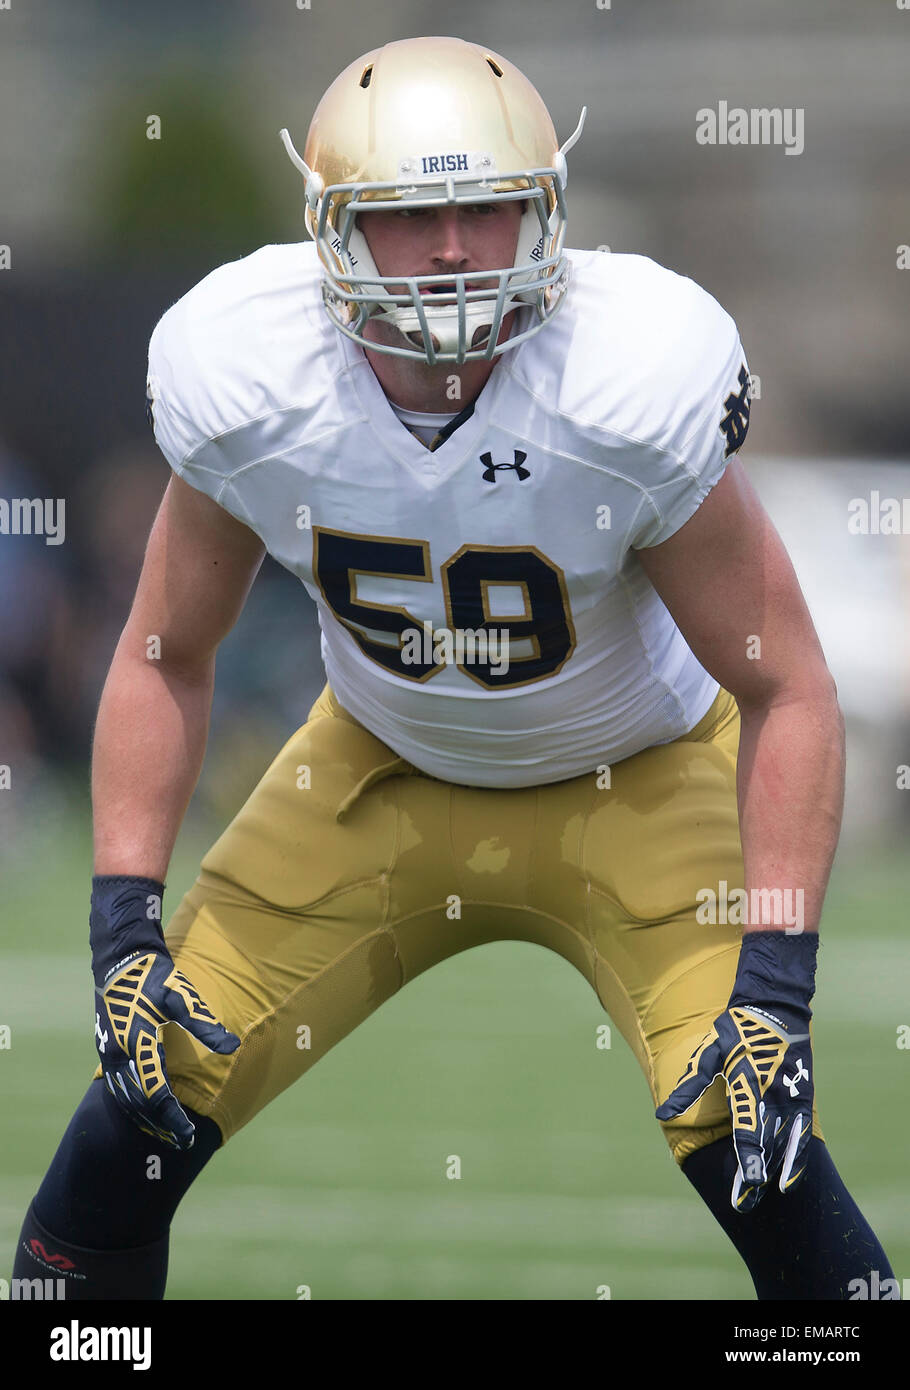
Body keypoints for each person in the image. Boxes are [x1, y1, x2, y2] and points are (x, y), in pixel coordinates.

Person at [12, 35, 894, 1301]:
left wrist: (776, 983)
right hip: (378, 768)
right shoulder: (249, 380)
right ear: (331, 233)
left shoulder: (628, 379)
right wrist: (120, 926)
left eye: (486, 207)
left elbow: (786, 684)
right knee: (132, 1118)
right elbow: (165, 653)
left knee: (758, 1144)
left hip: (638, 777)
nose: (452, 251)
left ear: (548, 209)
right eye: (408, 216)